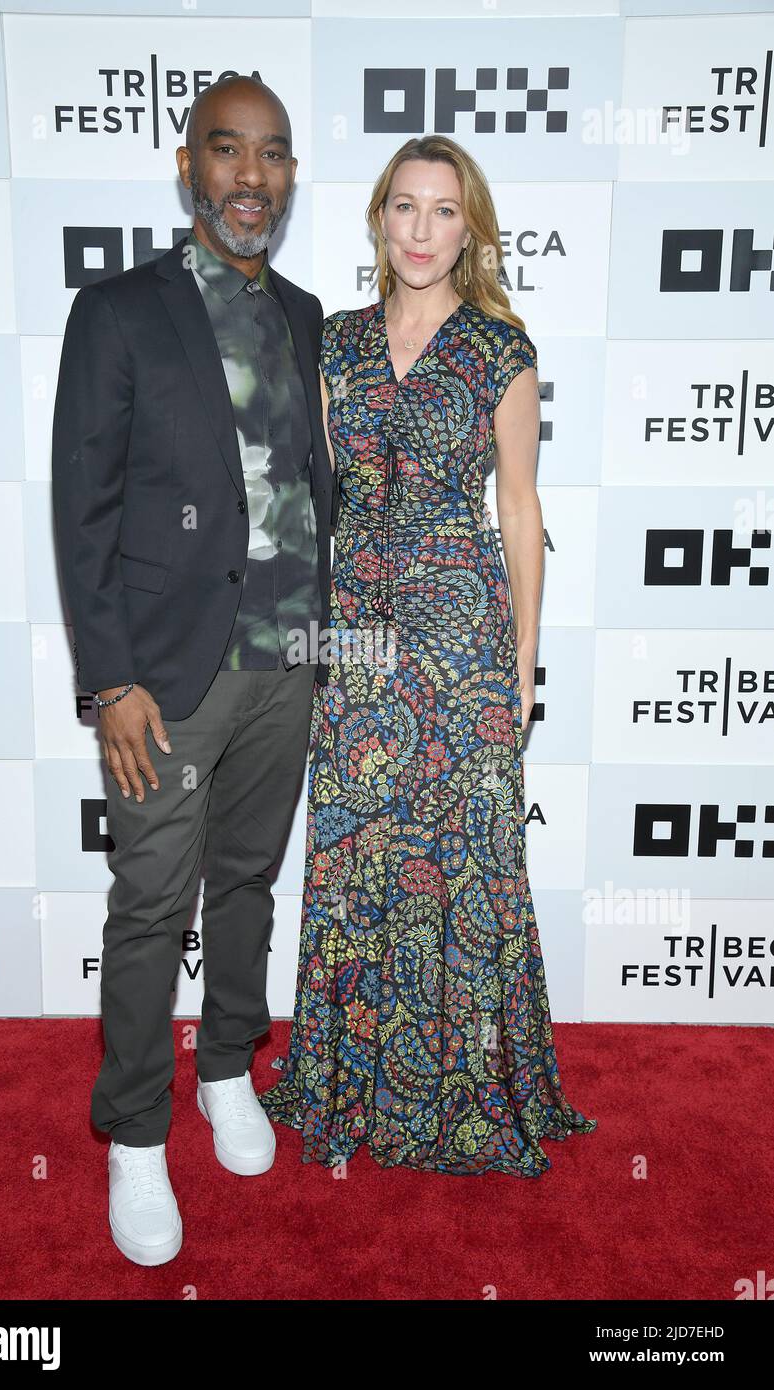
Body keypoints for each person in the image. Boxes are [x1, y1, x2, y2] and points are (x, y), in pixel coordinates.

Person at [258, 135, 597, 1177]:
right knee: (356, 850)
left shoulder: (501, 350)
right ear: (376, 216)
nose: (419, 228)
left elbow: (519, 504)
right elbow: (308, 501)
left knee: (465, 859)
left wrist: (527, 655)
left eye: (442, 210)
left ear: (470, 227)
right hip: (352, 630)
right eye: (402, 206)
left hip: (463, 641)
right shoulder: (335, 343)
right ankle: (347, 1079)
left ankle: (470, 1091)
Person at [51, 75, 337, 1265]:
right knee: (151, 902)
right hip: (164, 679)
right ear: (188, 165)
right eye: (228, 151)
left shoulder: (308, 314)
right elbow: (84, 506)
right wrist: (110, 679)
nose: (251, 177)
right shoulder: (119, 310)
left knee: (249, 883)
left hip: (289, 663)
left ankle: (227, 1068)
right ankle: (131, 1134)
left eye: (271, 156)